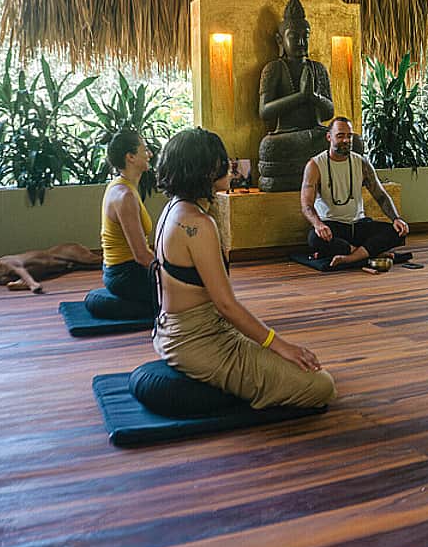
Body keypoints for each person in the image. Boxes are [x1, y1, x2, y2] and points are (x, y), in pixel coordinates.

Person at [153, 127, 335, 408]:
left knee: (297, 367)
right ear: (204, 169)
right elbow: (226, 305)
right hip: (195, 342)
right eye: (221, 160)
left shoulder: (174, 208)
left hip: (178, 331)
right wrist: (280, 344)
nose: (228, 165)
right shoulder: (197, 224)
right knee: (322, 386)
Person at [301, 116, 409, 268]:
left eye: (349, 136)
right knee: (314, 238)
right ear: (329, 137)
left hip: (359, 225)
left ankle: (350, 257)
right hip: (332, 227)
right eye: (340, 136)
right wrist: (318, 225)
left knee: (397, 231)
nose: (346, 140)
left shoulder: (362, 163)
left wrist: (396, 218)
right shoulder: (315, 165)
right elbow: (306, 206)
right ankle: (369, 252)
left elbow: (380, 195)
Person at [257, 0, 337, 192]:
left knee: (353, 142)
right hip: (286, 137)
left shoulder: (318, 68)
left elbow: (329, 112)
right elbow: (264, 111)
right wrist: (300, 97)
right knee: (269, 147)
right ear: (280, 40)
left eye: (305, 37)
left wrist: (314, 97)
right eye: (294, 37)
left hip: (316, 134)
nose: (301, 42)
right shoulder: (273, 68)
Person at [100, 131, 157, 309]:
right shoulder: (124, 196)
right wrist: (172, 274)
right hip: (125, 275)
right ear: (130, 157)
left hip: (128, 270)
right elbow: (141, 256)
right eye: (145, 150)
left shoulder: (127, 187)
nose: (150, 154)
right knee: (189, 292)